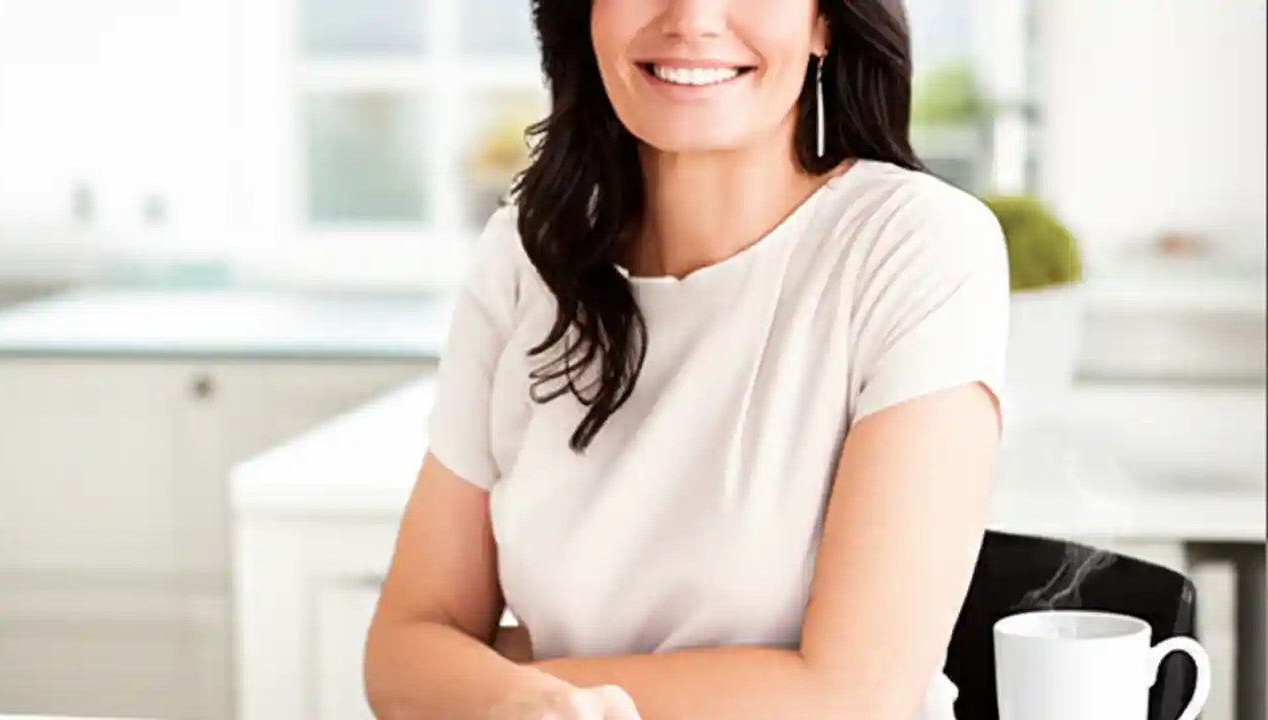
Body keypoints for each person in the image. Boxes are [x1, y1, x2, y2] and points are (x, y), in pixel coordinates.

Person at [364, 0, 1009, 717]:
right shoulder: (529, 253)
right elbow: (403, 648)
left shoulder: (917, 246)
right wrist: (508, 689)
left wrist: (508, 686)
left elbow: (853, 695)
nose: (694, 17)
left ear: (824, 20)